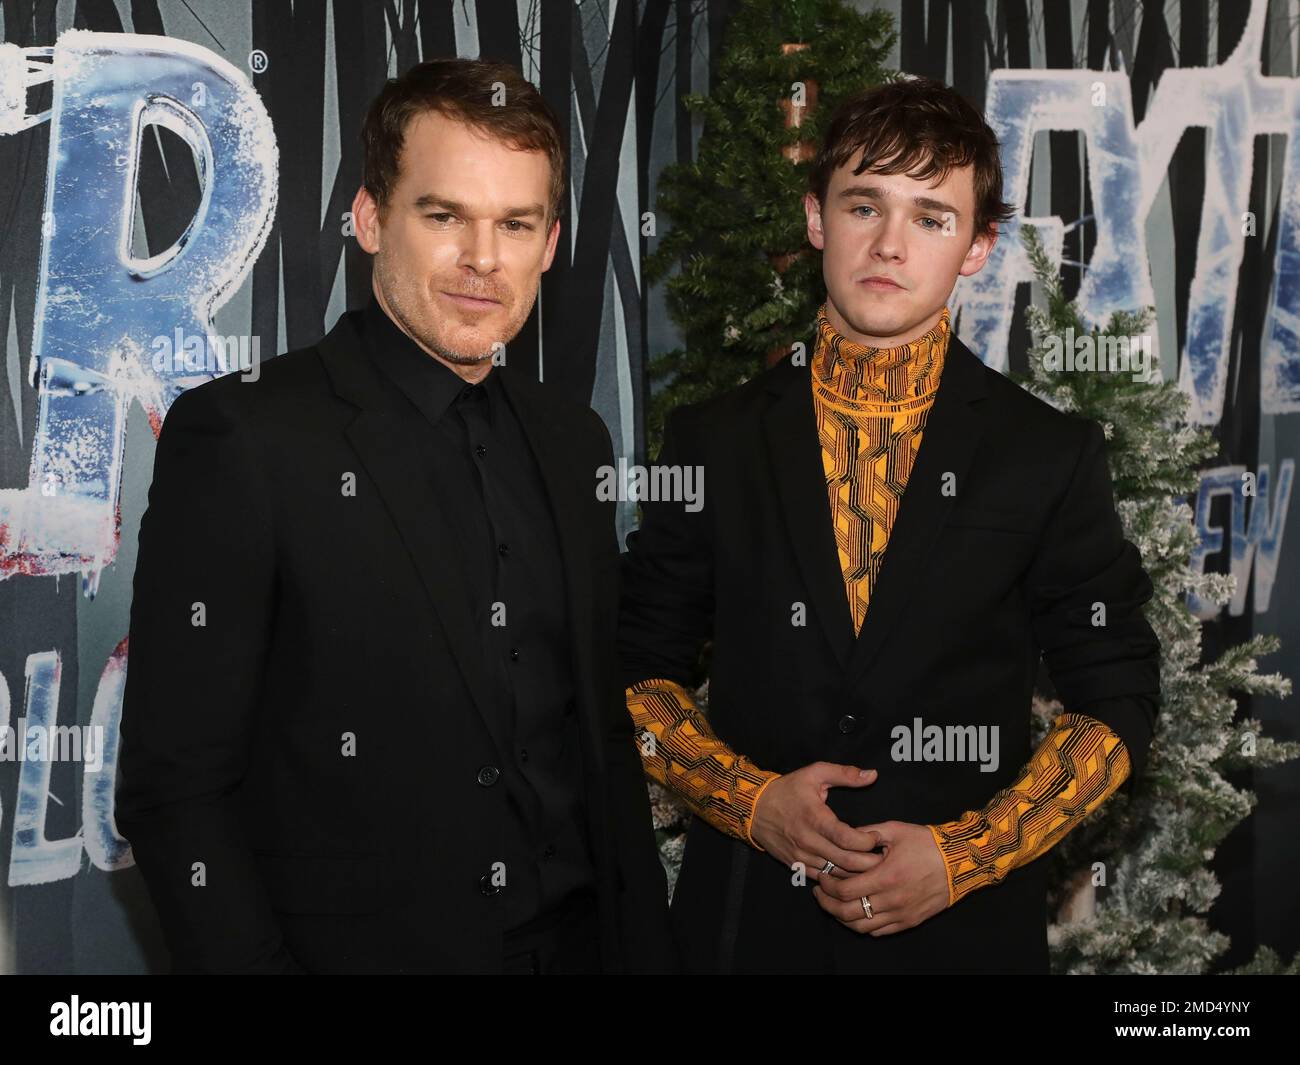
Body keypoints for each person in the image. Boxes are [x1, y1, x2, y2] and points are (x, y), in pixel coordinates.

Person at [116, 58, 673, 974]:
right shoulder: (245, 436)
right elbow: (175, 792)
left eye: (515, 224)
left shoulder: (574, 442)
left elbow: (599, 740)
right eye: (444, 214)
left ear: (550, 241)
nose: (483, 259)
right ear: (372, 219)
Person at [618, 75, 1161, 974]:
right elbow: (634, 671)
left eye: (931, 217)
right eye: (864, 204)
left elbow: (1117, 700)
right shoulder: (713, 439)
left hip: (963, 938)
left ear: (979, 248)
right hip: (747, 931)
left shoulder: (1046, 454)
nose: (890, 244)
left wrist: (965, 854)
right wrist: (749, 801)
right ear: (815, 219)